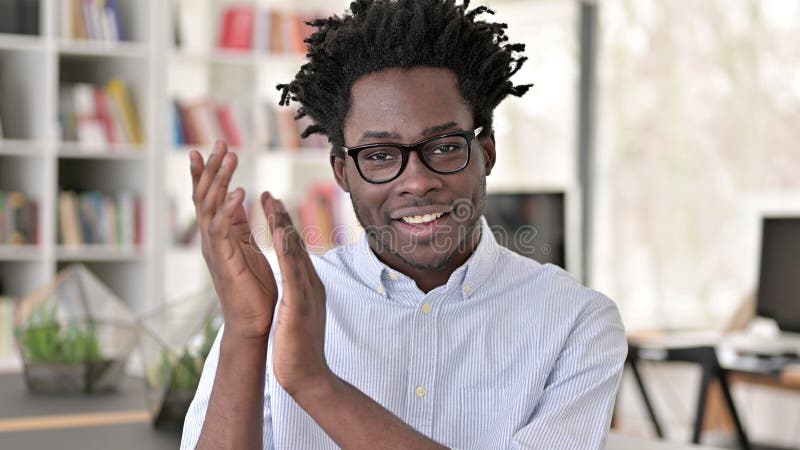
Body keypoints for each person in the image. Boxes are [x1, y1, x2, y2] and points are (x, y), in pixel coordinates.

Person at [181, 0, 626, 449]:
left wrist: (315, 383)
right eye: (378, 156)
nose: (417, 180)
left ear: (486, 152)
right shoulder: (276, 306)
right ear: (342, 173)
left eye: (445, 146)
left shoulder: (577, 322)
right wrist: (247, 334)